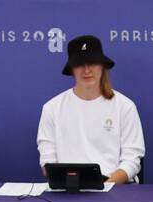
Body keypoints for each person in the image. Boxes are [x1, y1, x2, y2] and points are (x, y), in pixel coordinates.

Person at [37, 35, 144, 184]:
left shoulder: (124, 106)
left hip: (114, 189)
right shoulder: (52, 108)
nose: (87, 70)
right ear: (72, 69)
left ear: (102, 66)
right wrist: (67, 184)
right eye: (80, 64)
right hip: (67, 189)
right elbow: (47, 161)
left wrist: (105, 188)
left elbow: (131, 160)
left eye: (92, 63)